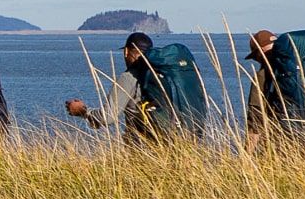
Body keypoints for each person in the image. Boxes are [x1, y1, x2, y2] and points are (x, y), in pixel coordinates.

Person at [64, 32, 205, 143]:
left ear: (126, 51)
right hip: (186, 139)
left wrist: (83, 111)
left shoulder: (129, 77)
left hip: (147, 150)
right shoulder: (161, 74)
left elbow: (107, 117)